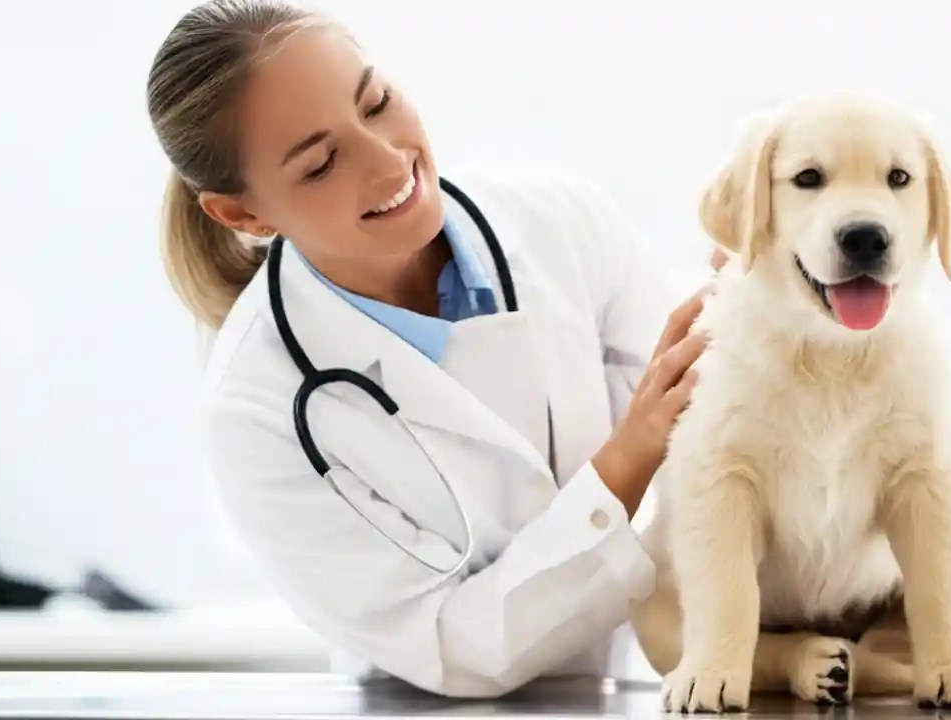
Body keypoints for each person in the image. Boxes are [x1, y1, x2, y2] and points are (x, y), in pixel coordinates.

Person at [146, 0, 714, 698]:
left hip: (632, 690)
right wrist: (626, 459)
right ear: (243, 214)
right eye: (321, 164)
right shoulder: (255, 408)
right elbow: (455, 648)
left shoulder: (564, 224)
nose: (388, 163)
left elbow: (716, 433)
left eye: (377, 102)